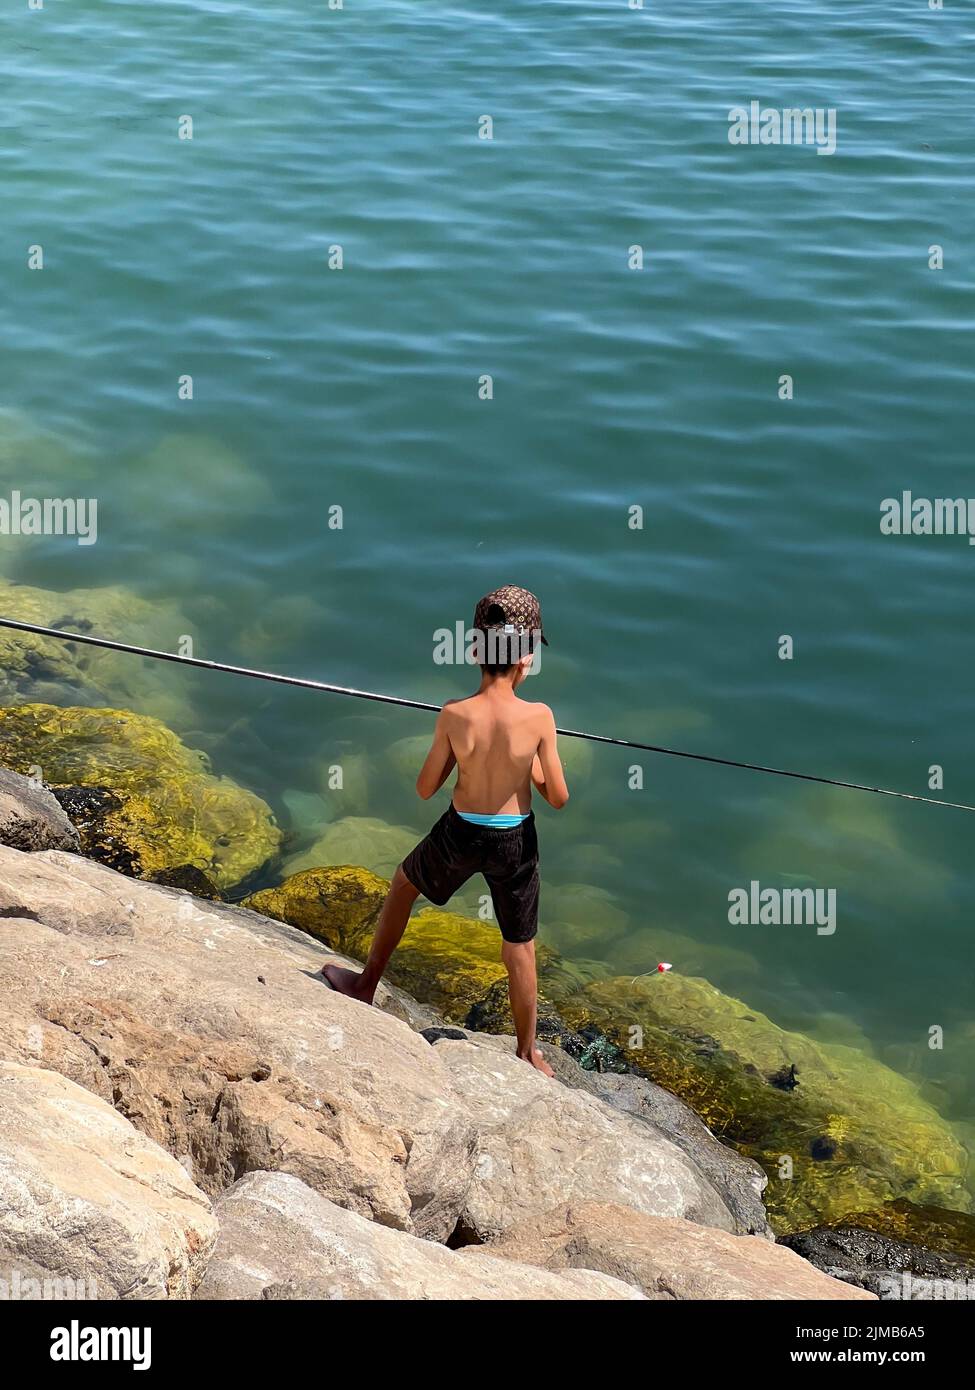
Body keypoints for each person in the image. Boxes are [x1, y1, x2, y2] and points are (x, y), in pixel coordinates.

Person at [323, 585, 569, 1075]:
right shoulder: (540, 717)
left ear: (476, 652)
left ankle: (367, 984)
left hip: (460, 832)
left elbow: (424, 787)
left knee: (403, 886)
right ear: (527, 659)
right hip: (515, 839)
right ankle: (527, 1050)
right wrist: (526, 770)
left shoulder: (455, 714)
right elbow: (558, 797)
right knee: (519, 944)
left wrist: (462, 755)